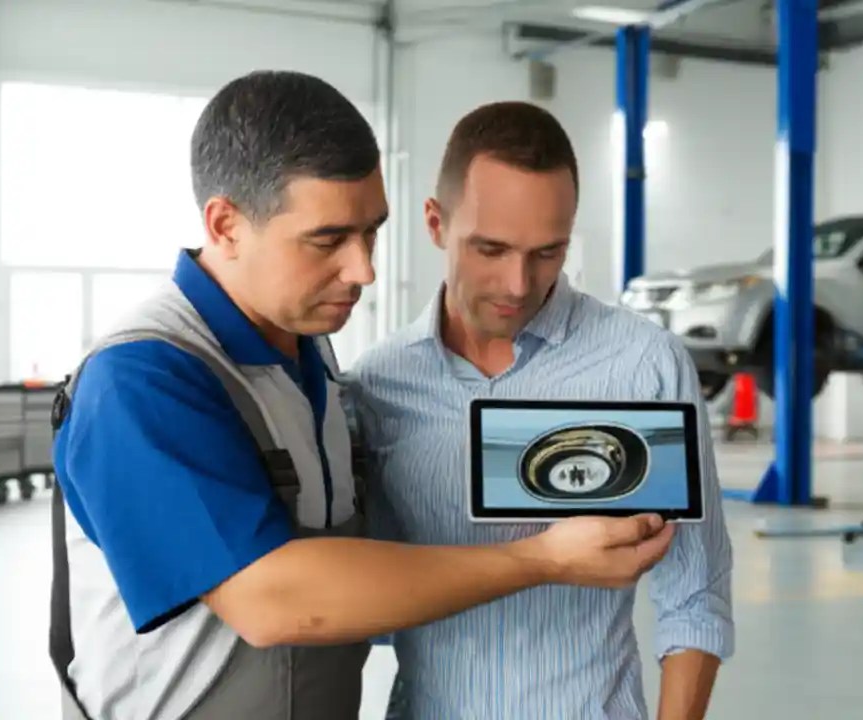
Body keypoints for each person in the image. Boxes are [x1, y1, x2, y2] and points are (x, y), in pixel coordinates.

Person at [47, 71, 676, 720]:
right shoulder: (142, 379)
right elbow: (274, 601)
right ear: (226, 224)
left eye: (370, 231)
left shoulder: (309, 358)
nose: (364, 270)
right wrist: (541, 559)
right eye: (328, 240)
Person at [347, 102, 734, 719]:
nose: (519, 285)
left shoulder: (644, 366)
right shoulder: (378, 385)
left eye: (548, 252)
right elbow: (368, 594)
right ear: (435, 222)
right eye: (490, 249)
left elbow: (696, 592)